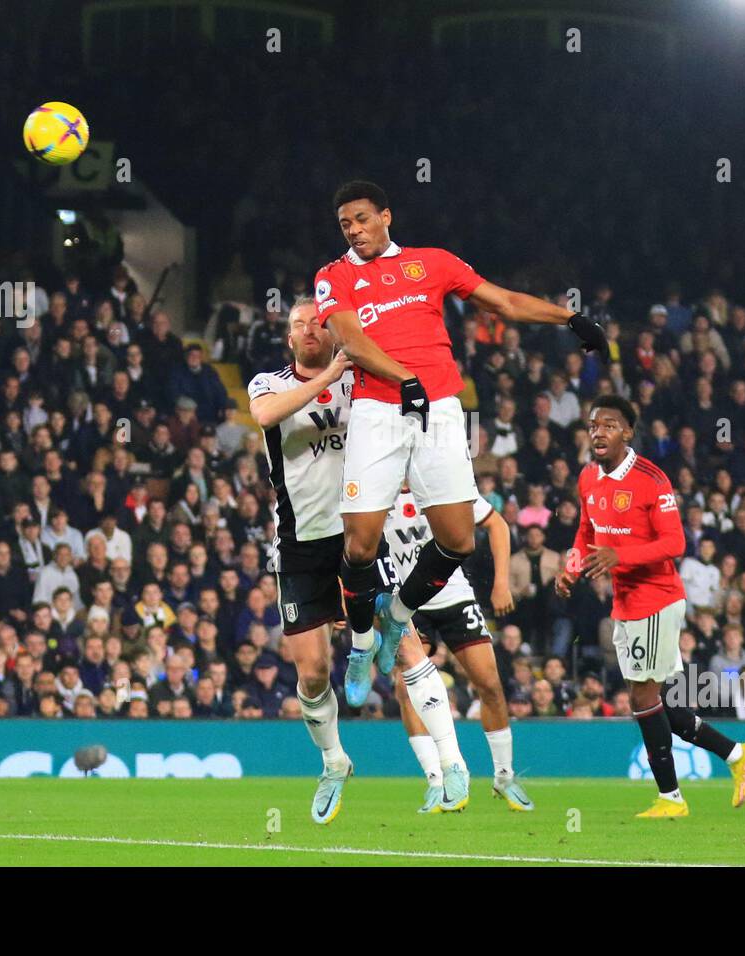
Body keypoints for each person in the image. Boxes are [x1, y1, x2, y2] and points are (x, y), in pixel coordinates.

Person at [312, 180, 608, 704]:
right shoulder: (333, 277)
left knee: (457, 540)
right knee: (359, 543)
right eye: (345, 224)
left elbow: (505, 302)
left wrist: (570, 318)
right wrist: (402, 377)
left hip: (440, 412)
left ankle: (397, 616)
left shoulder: (432, 263)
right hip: (379, 410)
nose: (353, 231)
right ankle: (362, 643)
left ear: (386, 215)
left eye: (361, 219)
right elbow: (349, 339)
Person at [248, 297, 471, 821]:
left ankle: (453, 763)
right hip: (300, 545)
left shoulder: (365, 384)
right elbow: (265, 417)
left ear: (333, 330)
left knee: (408, 651)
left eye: (316, 322)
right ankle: (334, 762)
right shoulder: (269, 384)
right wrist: (331, 374)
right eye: (297, 324)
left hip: (363, 536)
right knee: (310, 672)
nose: (307, 329)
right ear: (288, 338)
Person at [554, 395, 745, 819]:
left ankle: (671, 798)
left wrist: (620, 557)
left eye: (610, 425)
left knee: (641, 695)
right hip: (625, 601)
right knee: (656, 700)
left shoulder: (651, 478)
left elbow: (675, 543)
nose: (599, 432)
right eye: (594, 425)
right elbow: (585, 531)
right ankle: (737, 753)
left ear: (628, 432)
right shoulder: (588, 478)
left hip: (657, 598)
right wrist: (572, 568)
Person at [384, 481, 530, 812]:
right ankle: (437, 780)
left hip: (453, 596)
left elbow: (497, 524)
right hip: (407, 603)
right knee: (405, 688)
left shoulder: (439, 478)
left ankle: (504, 776)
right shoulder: (378, 487)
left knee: (489, 684)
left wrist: (502, 582)